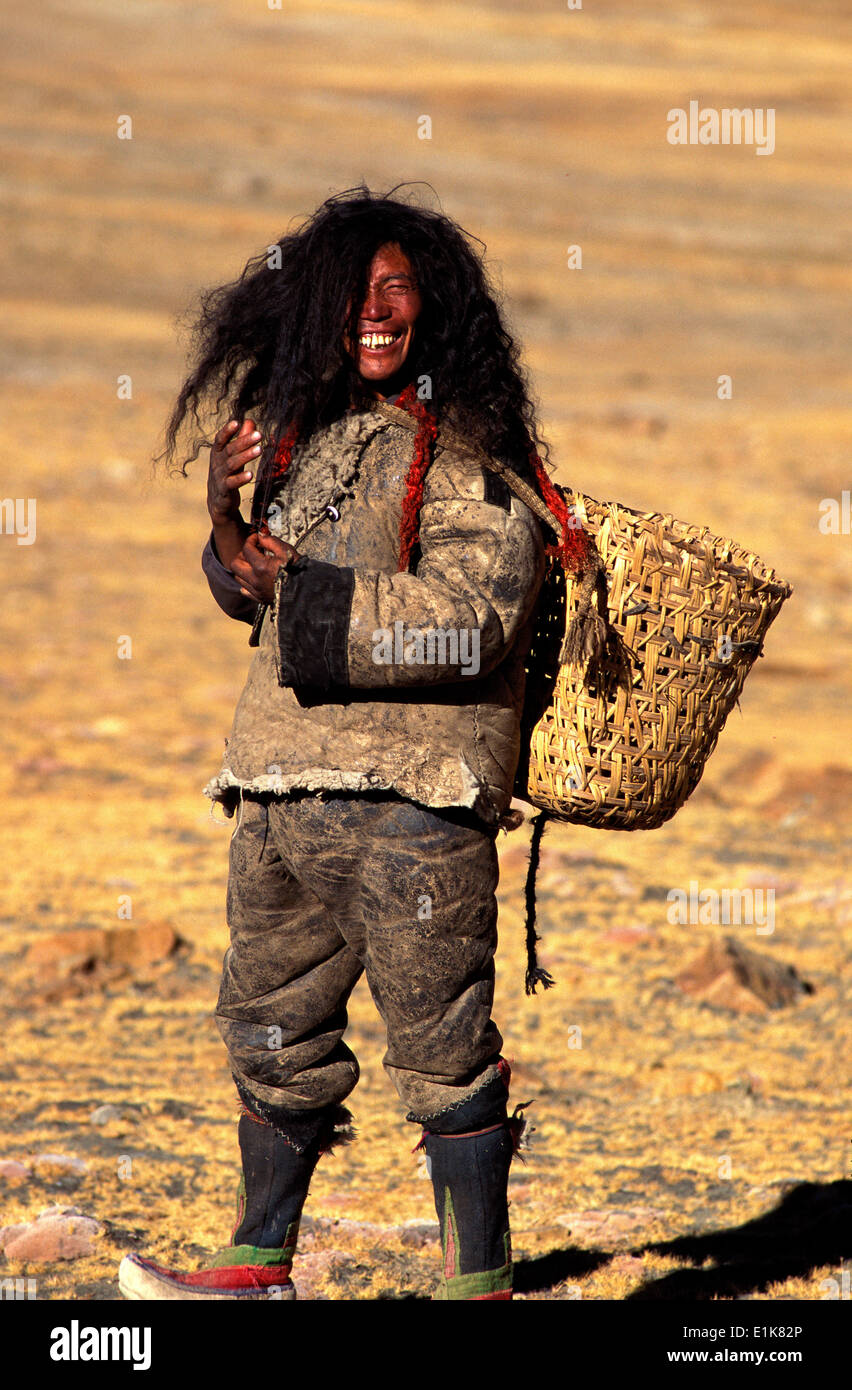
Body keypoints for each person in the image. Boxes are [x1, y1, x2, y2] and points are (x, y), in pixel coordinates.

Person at [119, 184, 578, 1302]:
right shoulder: (311, 440)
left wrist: (310, 591)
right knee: (271, 1029)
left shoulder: (471, 450)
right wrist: (228, 525)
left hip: (416, 804)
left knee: (443, 1049)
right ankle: (256, 1265)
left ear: (436, 305)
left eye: (396, 287)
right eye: (351, 291)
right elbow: (256, 599)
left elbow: (473, 620)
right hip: (279, 791)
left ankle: (482, 1287)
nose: (373, 310)